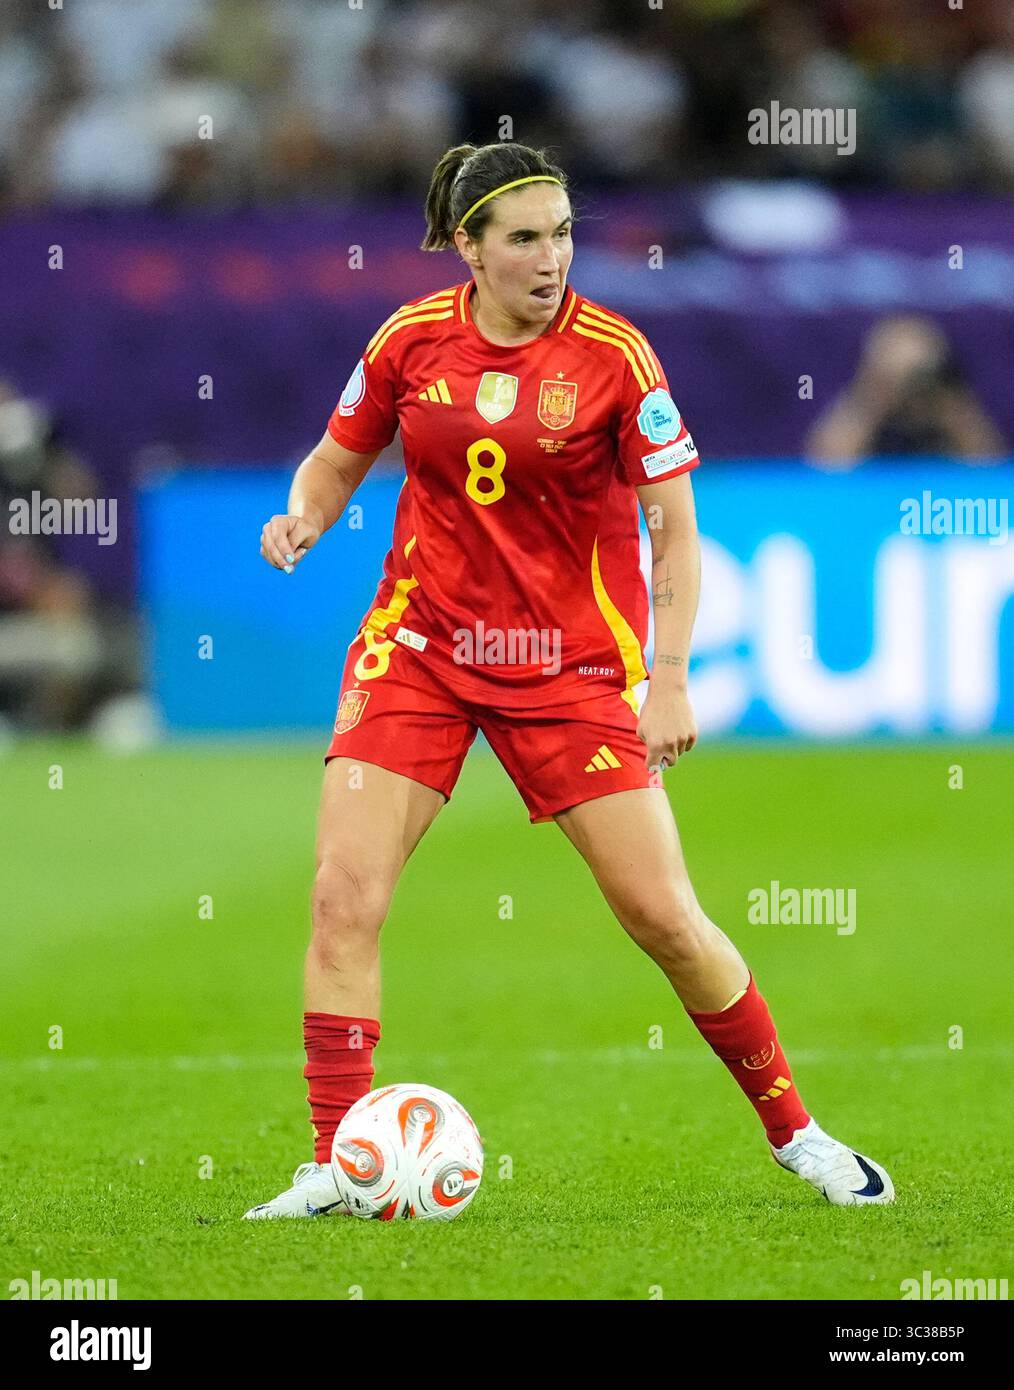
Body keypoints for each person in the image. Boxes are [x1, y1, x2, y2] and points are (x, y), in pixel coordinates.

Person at [247, 142, 894, 1219]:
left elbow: (674, 534)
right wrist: (305, 515)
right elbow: (335, 456)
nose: (553, 258)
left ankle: (800, 1134)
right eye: (526, 239)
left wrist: (671, 677)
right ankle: (335, 1159)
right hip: (419, 649)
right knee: (341, 896)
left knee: (663, 916)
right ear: (470, 248)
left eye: (563, 233)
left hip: (569, 669)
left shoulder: (615, 356)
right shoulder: (410, 340)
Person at [805, 314, 1005, 465]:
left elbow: (989, 470)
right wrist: (874, 396)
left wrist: (946, 403)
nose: (910, 384)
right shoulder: (866, 405)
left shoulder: (947, 408)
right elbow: (825, 467)